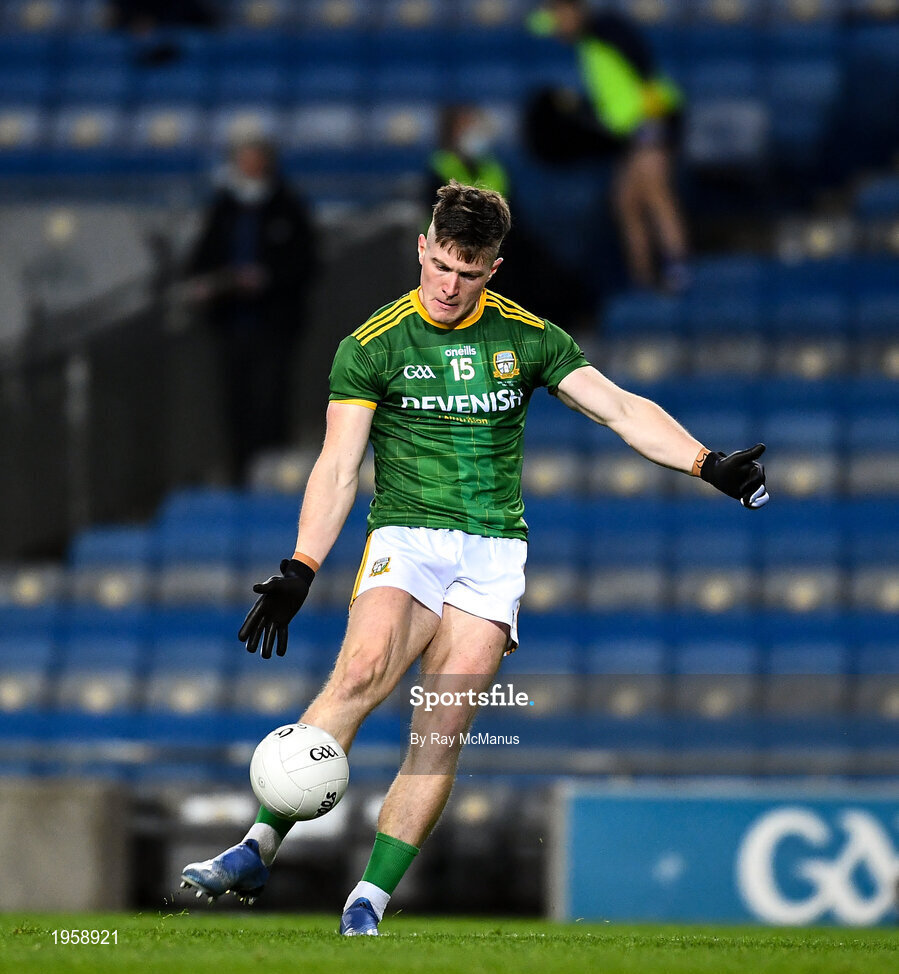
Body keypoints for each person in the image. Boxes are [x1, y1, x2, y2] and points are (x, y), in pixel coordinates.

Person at [180, 182, 768, 934]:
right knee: (359, 672)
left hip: (492, 553)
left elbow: (619, 407)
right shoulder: (373, 343)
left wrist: (705, 462)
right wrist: (302, 566)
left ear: (494, 267)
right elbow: (336, 466)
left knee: (442, 724)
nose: (451, 285)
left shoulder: (528, 338)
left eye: (471, 270)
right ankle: (259, 842)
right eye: (443, 265)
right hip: (407, 534)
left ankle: (368, 900)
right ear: (422, 248)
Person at [529, 0, 689, 292]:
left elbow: (644, 72)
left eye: (558, 19)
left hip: (650, 121)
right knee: (626, 202)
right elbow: (612, 100)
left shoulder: (607, 31)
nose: (556, 30)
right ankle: (643, 280)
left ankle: (677, 271)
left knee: (654, 192)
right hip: (632, 131)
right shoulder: (587, 45)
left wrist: (652, 122)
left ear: (572, 10)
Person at [184, 137, 317, 480]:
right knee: (236, 404)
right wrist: (211, 283)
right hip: (232, 324)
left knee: (271, 402)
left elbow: (306, 263)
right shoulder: (225, 208)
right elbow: (200, 259)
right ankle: (240, 475)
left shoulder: (288, 207)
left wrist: (267, 279)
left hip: (275, 325)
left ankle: (272, 476)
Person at [428, 104, 592, 326]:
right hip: (460, 250)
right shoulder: (440, 169)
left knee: (543, 267)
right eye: (467, 126)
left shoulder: (493, 168)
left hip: (502, 243)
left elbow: (513, 212)